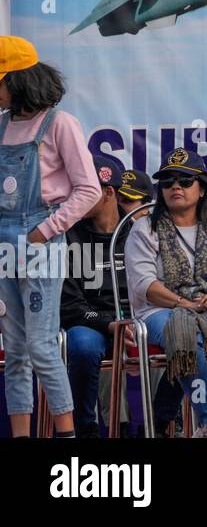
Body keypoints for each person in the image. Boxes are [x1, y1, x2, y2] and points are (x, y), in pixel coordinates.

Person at [0, 37, 99, 439]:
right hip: (4, 241)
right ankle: (22, 435)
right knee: (16, 351)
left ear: (17, 79)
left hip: (40, 238)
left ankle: (66, 434)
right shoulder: (2, 124)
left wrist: (45, 231)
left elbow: (89, 189)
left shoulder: (60, 123)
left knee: (41, 345)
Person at [125, 148, 207, 437]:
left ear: (202, 190)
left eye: (185, 181)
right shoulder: (145, 228)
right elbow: (144, 286)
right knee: (184, 334)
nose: (175, 186)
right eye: (168, 181)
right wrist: (186, 303)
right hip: (161, 311)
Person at [60, 155, 131, 437]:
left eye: (84, 190)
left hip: (136, 320)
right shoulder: (66, 235)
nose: (74, 197)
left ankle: (163, 425)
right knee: (83, 346)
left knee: (173, 334)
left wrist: (127, 322)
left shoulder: (139, 231)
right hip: (90, 322)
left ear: (109, 192)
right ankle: (84, 430)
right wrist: (107, 323)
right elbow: (68, 304)